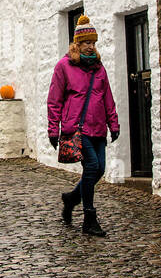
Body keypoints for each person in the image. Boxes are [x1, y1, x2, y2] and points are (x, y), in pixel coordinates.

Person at [47, 14, 120, 237]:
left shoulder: (99, 68)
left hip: (98, 126)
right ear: (77, 43)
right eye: (86, 42)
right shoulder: (64, 66)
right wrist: (53, 129)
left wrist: (113, 123)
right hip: (77, 128)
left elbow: (107, 97)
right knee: (91, 167)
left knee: (99, 170)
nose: (90, 46)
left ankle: (71, 199)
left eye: (93, 42)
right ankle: (89, 218)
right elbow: (54, 99)